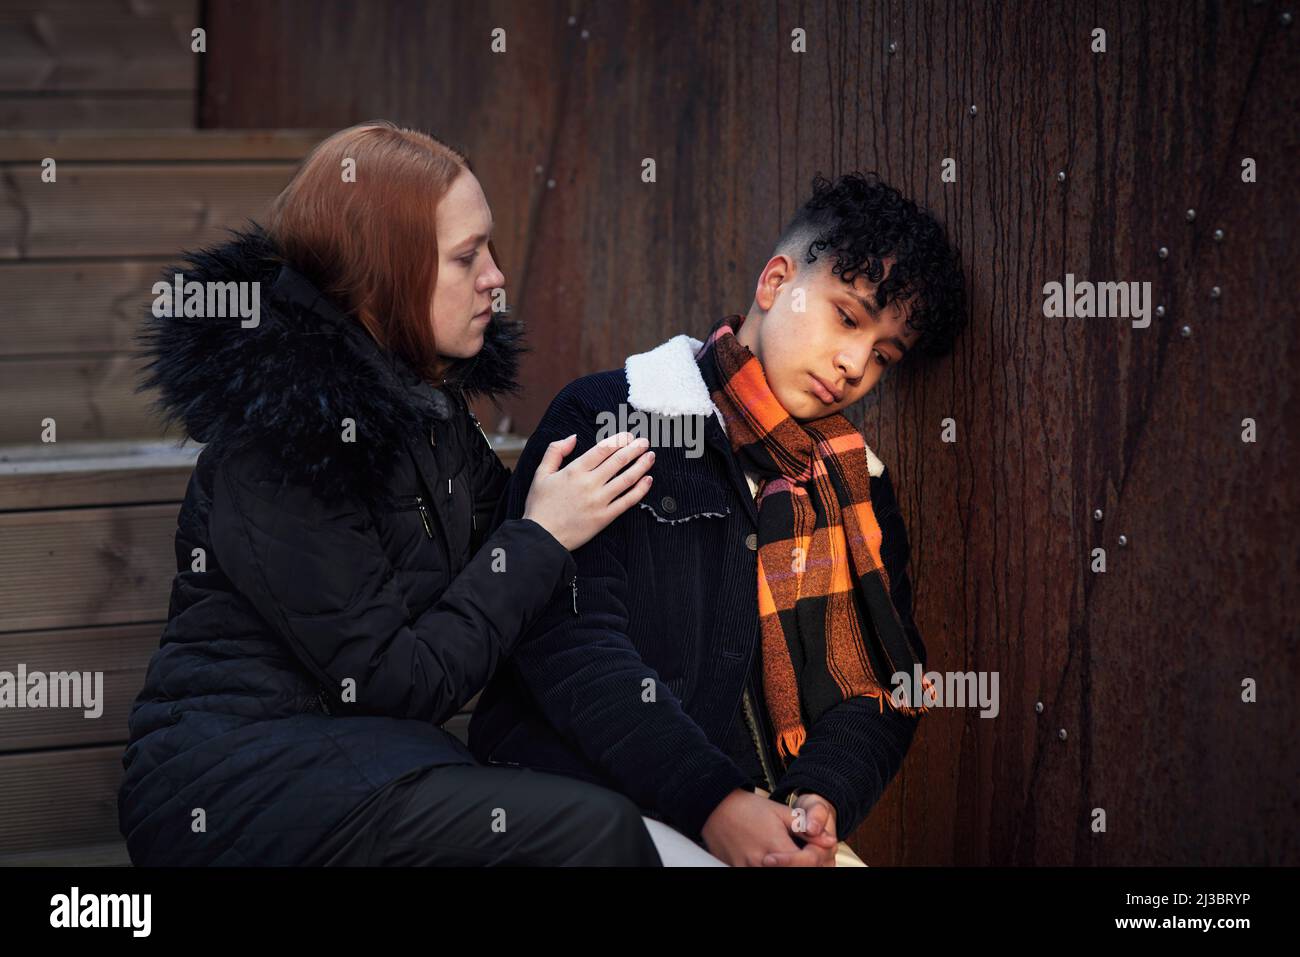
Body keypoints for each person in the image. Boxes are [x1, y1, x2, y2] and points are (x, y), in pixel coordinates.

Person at [117, 121, 662, 866]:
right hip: (230, 785)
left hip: (363, 761)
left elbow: (513, 562)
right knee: (590, 831)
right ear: (385, 274)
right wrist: (538, 537)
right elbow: (389, 679)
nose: (496, 276)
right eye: (467, 256)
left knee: (587, 798)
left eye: (490, 250)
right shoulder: (285, 445)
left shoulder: (426, 408)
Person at [469, 171, 967, 866]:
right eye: (847, 317)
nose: (855, 363)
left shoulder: (855, 485)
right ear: (775, 283)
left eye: (884, 355)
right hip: (578, 798)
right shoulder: (616, 416)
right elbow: (571, 646)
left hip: (765, 819)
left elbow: (885, 683)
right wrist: (715, 802)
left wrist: (817, 801)